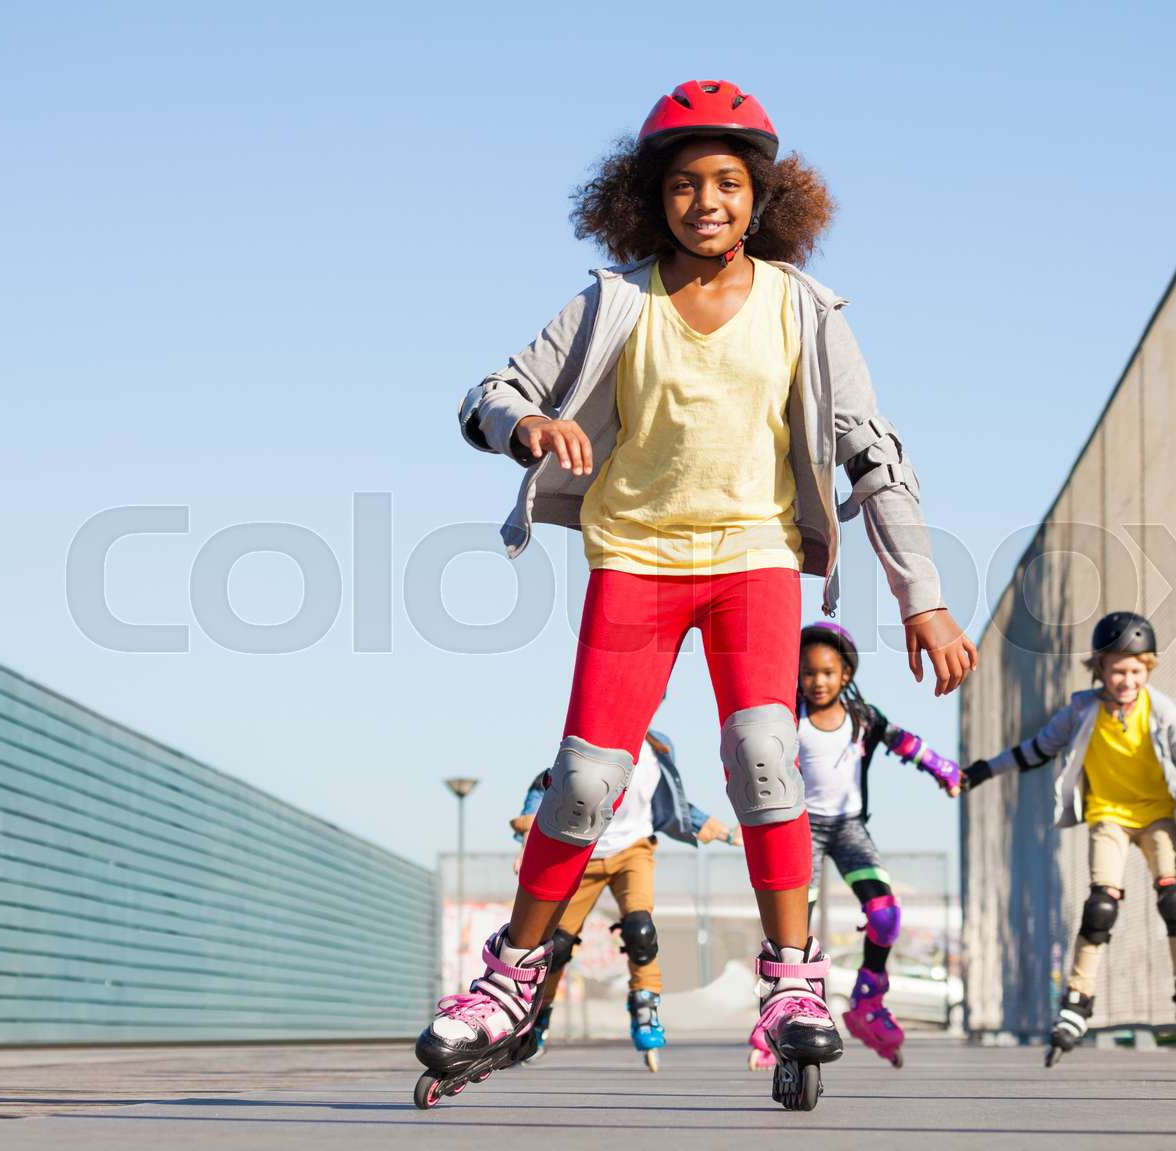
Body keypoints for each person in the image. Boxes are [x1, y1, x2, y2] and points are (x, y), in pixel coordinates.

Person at [415, 79, 977, 1112]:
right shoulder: (612, 302)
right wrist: (527, 430)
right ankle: (511, 974)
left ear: (762, 196)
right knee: (583, 779)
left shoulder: (803, 308)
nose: (704, 200)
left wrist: (922, 598)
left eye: (726, 181)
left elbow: (872, 456)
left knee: (763, 754)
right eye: (682, 184)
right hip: (633, 556)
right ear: (648, 198)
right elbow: (483, 396)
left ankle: (792, 976)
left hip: (753, 557)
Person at [962, 611, 1176, 1066]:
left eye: (1136, 671)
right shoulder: (1082, 710)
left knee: (1175, 899)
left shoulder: (1164, 713)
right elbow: (1036, 750)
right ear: (1099, 669)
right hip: (1109, 817)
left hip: (1159, 816)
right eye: (1118, 670)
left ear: (1149, 669)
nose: (1127, 680)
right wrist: (985, 770)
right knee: (1101, 904)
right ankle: (1078, 998)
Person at [747, 621, 960, 1071]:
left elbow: (904, 742)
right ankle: (783, 1006)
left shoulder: (863, 719)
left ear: (845, 674)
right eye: (807, 673)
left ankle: (869, 999)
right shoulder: (789, 717)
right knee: (792, 927)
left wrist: (942, 768)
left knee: (885, 914)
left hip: (849, 830)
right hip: (802, 827)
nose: (817, 681)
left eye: (827, 672)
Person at [509, 728, 735, 1071]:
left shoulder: (657, 747)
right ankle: (538, 1020)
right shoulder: (590, 734)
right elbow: (547, 785)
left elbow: (673, 801)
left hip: (634, 850)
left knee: (640, 929)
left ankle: (645, 1009)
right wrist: (529, 835)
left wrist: (716, 829)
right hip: (582, 852)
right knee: (556, 945)